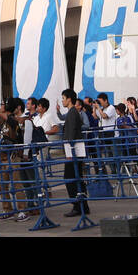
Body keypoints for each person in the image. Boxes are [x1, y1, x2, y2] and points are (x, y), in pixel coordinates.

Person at [59, 89, 88, 217]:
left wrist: (69, 152)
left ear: (69, 99)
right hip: (75, 149)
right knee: (77, 178)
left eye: (63, 98)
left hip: (73, 150)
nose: (62, 100)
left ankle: (77, 205)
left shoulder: (72, 113)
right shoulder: (74, 112)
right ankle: (83, 205)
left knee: (70, 178)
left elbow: (71, 132)